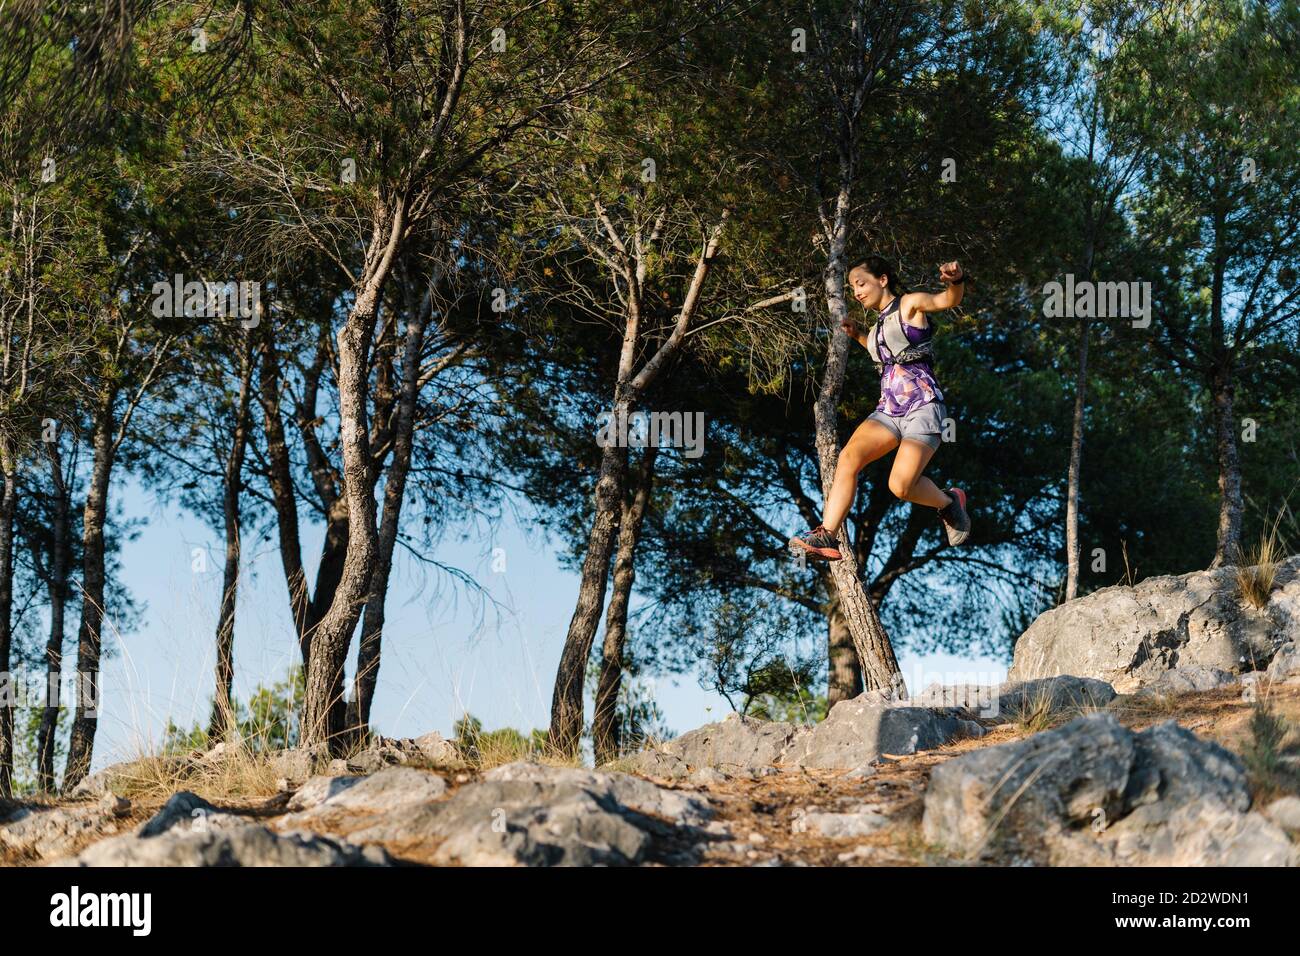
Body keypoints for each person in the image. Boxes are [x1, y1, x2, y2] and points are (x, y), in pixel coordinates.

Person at [789, 255, 971, 561]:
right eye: (852, 288)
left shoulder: (910, 304)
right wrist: (858, 335)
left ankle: (949, 502)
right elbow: (885, 352)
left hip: (923, 408)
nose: (857, 292)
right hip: (888, 410)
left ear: (883, 279)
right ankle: (826, 535)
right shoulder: (876, 329)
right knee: (848, 457)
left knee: (900, 486)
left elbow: (947, 301)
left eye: (861, 283)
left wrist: (955, 281)